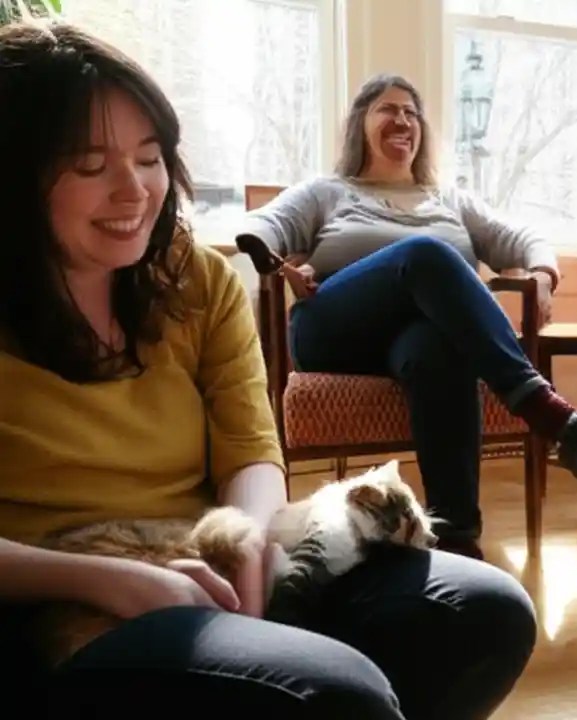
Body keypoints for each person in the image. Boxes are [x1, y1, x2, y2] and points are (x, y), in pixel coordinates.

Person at [0, 21, 535, 719]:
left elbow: (251, 448)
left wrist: (246, 540)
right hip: (55, 585)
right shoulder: (327, 190)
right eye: (90, 166)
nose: (134, 190)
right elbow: (264, 230)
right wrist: (109, 580)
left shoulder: (197, 282)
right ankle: (533, 395)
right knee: (344, 695)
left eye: (151, 157)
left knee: (489, 612)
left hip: (207, 544)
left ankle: (476, 486)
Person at [235, 73, 577, 558]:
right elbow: (264, 224)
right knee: (424, 254)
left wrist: (545, 275)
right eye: (388, 108)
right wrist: (278, 263)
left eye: (411, 111)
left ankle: (457, 536)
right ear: (360, 123)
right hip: (335, 330)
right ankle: (549, 413)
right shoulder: (328, 191)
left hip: (413, 341)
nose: (402, 119)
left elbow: (526, 238)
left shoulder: (450, 199)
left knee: (437, 349)